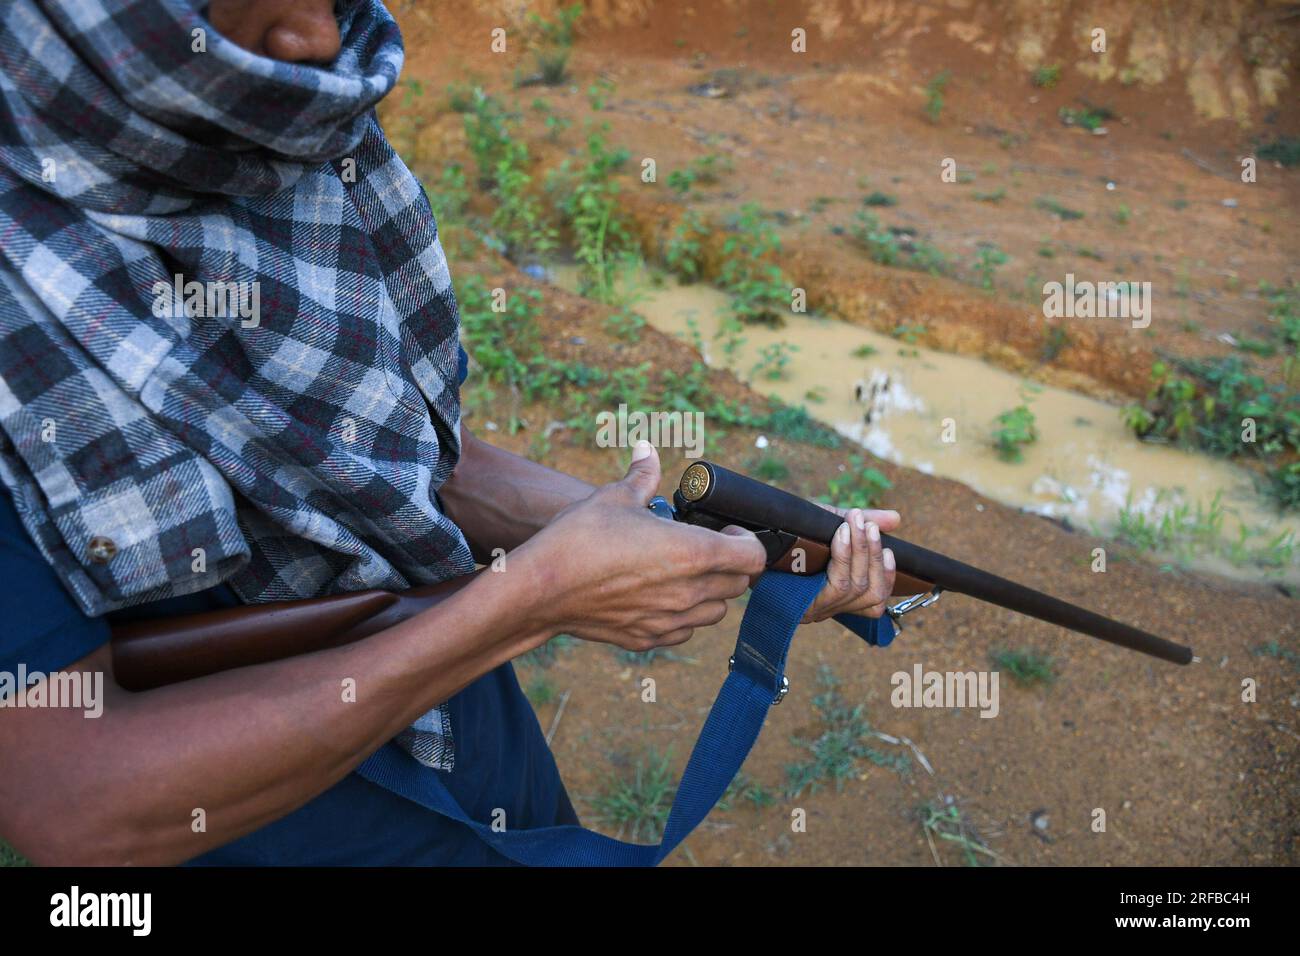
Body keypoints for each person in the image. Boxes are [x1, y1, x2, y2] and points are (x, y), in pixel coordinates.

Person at [0, 0, 901, 866]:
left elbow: (410, 464)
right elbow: (74, 802)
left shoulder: (267, 145)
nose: (319, 38)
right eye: (248, 2)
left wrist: (705, 545)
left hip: (478, 753)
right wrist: (528, 602)